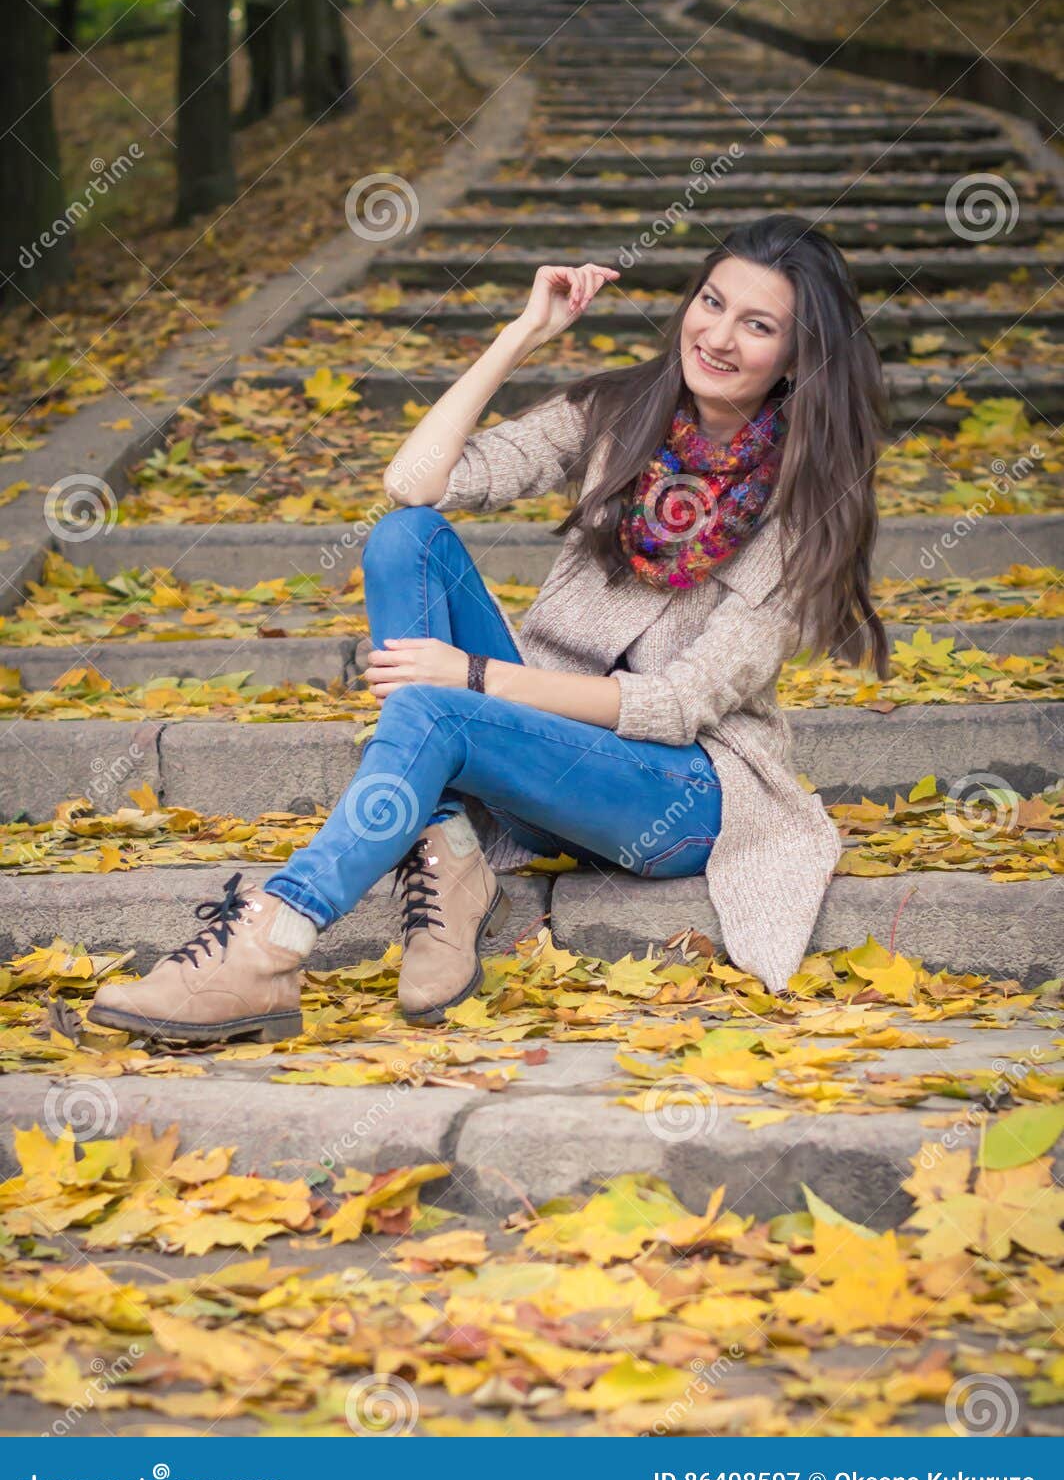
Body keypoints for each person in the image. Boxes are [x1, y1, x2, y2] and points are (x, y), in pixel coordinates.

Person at [87, 213, 890, 1044]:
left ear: (798, 357)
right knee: (406, 538)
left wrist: (474, 678)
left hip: (677, 796)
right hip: (541, 761)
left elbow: (679, 706)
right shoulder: (618, 414)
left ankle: (273, 941)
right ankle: (449, 858)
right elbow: (415, 482)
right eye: (712, 303)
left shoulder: (805, 508)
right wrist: (522, 334)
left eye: (757, 325)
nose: (717, 337)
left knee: (436, 704)